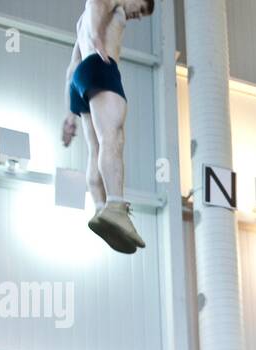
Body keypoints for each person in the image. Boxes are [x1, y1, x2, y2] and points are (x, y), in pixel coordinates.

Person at [60, 0, 154, 254]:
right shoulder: (106, 6)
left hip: (81, 74)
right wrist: (99, 41)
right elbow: (96, 4)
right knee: (113, 137)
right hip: (101, 66)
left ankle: (100, 208)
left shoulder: (82, 21)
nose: (138, 16)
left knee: (96, 147)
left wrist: (69, 112)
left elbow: (72, 65)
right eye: (141, 8)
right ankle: (115, 206)